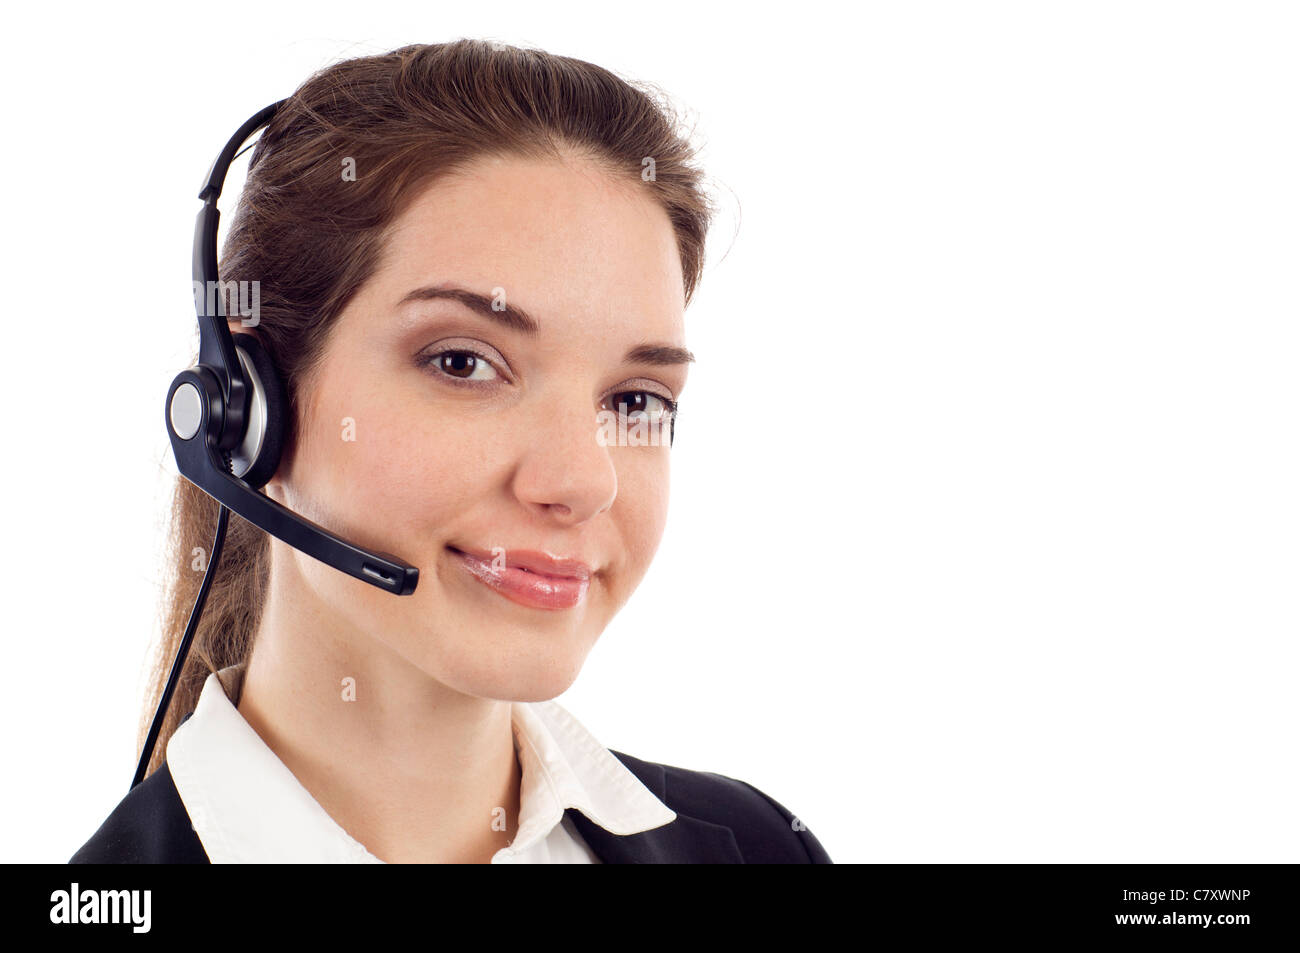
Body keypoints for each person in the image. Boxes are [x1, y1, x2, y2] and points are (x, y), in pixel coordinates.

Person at [71, 38, 831, 864]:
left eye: (634, 400)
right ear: (250, 409)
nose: (581, 481)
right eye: (464, 363)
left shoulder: (759, 848)